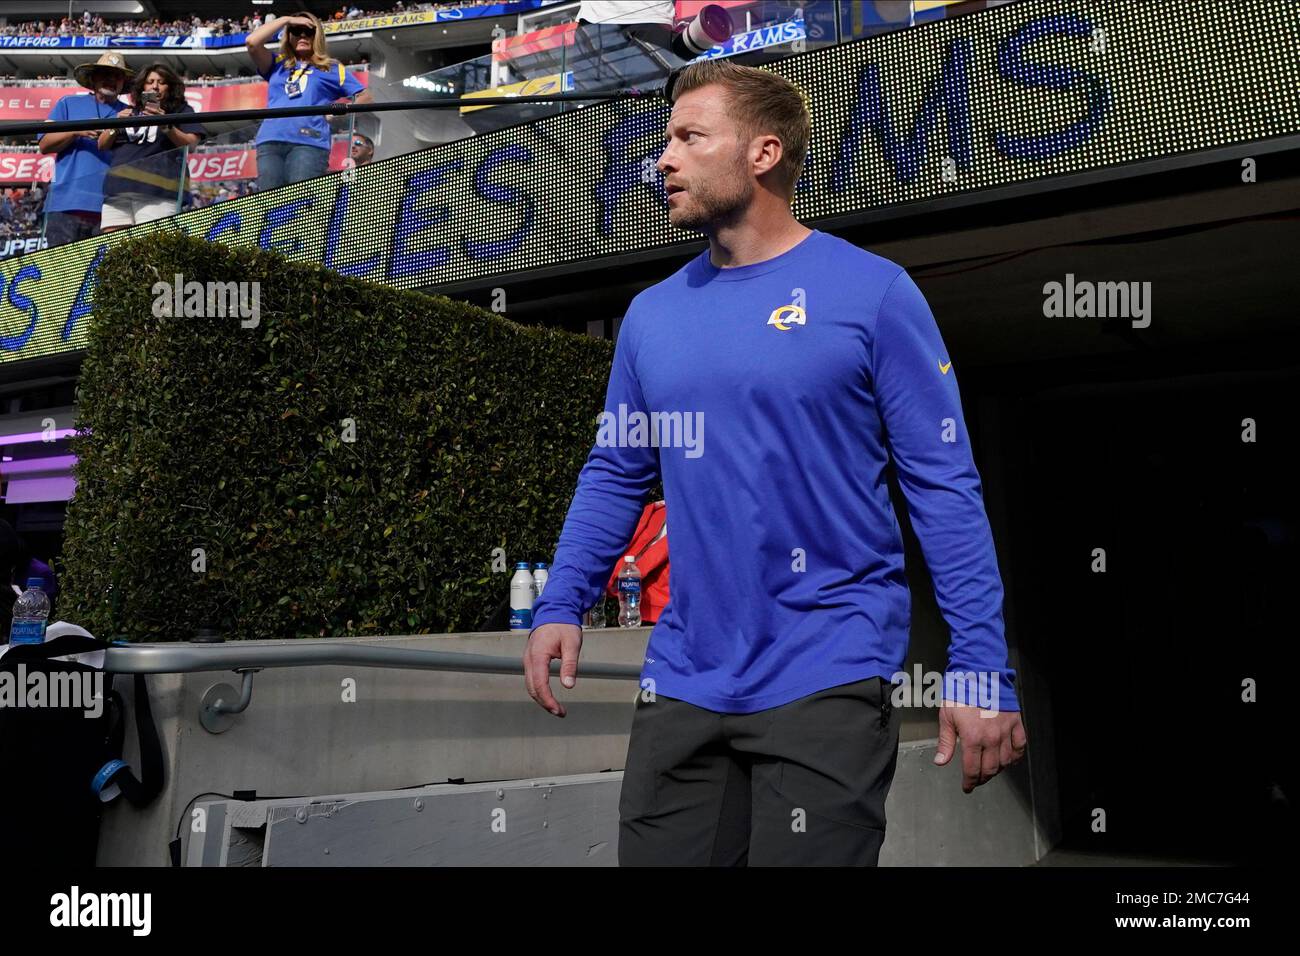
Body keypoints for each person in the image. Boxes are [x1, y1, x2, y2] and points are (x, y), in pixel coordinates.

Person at [524, 59, 1028, 866]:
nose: (664, 158)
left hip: (829, 671)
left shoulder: (874, 293)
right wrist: (561, 601)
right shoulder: (650, 316)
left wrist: (978, 667)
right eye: (665, 139)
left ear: (761, 154)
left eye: (690, 137)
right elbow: (617, 472)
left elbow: (944, 487)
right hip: (683, 677)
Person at [244, 12, 371, 191]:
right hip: (270, 140)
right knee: (269, 206)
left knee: (300, 204)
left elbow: (365, 97)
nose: (302, 36)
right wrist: (286, 20)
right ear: (289, 36)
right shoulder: (277, 63)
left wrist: (338, 110)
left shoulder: (331, 67)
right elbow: (252, 42)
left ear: (317, 36)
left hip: (309, 143)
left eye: (309, 31)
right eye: (296, 30)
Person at [35, 52, 130, 247]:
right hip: (65, 205)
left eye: (117, 76)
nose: (111, 79)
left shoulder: (129, 113)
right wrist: (76, 131)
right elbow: (44, 144)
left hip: (113, 209)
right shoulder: (68, 103)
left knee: (102, 277)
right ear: (94, 78)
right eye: (105, 73)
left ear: (123, 83)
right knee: (62, 275)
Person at [98, 63, 205, 231]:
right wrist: (115, 124)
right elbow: (102, 145)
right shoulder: (129, 112)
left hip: (157, 191)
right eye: (150, 82)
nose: (155, 86)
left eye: (161, 82)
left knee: (150, 251)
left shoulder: (181, 110)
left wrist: (166, 126)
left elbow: (191, 144)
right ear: (142, 87)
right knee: (114, 252)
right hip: (118, 190)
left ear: (170, 87)